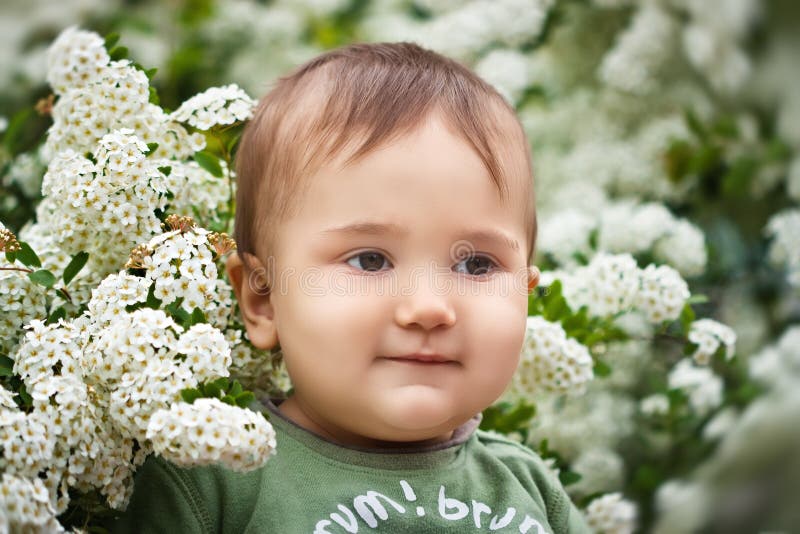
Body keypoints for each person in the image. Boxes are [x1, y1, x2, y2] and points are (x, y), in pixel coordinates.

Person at [112, 42, 590, 533]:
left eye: (477, 265)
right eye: (370, 259)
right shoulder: (215, 474)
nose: (428, 308)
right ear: (262, 300)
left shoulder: (529, 486)